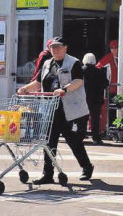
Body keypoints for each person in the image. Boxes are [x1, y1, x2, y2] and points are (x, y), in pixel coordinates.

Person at [18, 37, 94, 182]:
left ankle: (87, 166)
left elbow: (78, 81)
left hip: (70, 111)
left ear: (65, 47)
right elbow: (39, 82)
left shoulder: (74, 62)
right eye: (53, 47)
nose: (55, 50)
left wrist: (64, 89)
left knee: (74, 141)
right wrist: (25, 88)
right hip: (51, 110)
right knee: (49, 142)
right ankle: (48, 174)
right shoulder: (47, 63)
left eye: (58, 47)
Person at [82, 52, 108, 145]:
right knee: (95, 118)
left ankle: (81, 135)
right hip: (96, 98)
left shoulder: (81, 70)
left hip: (83, 97)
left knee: (82, 117)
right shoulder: (99, 71)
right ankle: (96, 138)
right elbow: (106, 83)